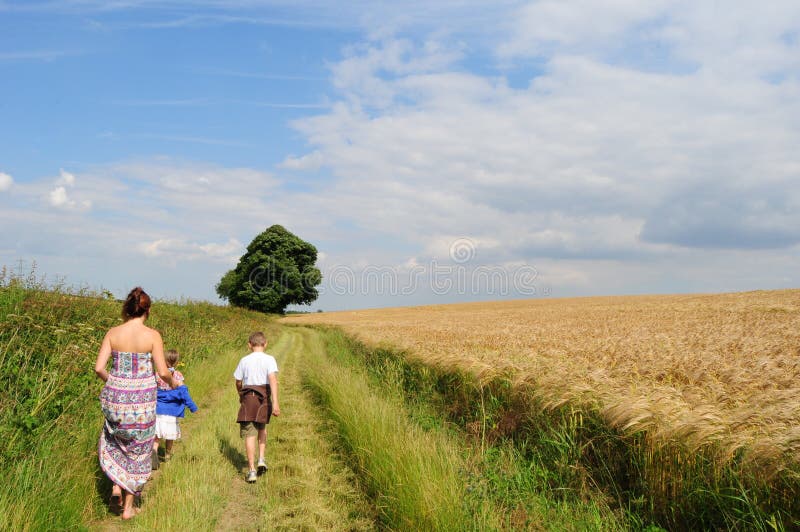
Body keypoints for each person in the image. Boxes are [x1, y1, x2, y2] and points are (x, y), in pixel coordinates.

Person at [95, 287, 174, 520]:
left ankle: (116, 485)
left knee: (114, 439)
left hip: (115, 398)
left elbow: (99, 368)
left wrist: (117, 382)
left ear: (127, 309)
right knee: (139, 450)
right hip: (142, 402)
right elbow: (162, 371)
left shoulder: (113, 332)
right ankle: (128, 509)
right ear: (147, 310)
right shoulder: (152, 336)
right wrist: (173, 383)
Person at [233, 331, 280, 483]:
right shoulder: (270, 359)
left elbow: (238, 381)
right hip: (264, 397)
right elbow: (272, 379)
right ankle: (261, 458)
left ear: (249, 345)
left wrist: (240, 394)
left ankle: (252, 470)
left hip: (249, 398)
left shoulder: (244, 360)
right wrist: (276, 402)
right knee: (262, 428)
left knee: (249, 433)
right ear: (265, 344)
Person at [153, 350, 197, 466]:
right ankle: (167, 455)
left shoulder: (158, 374)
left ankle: (154, 451)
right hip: (172, 410)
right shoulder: (178, 375)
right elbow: (182, 392)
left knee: (157, 434)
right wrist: (192, 407)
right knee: (170, 435)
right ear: (176, 362)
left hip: (159, 408)